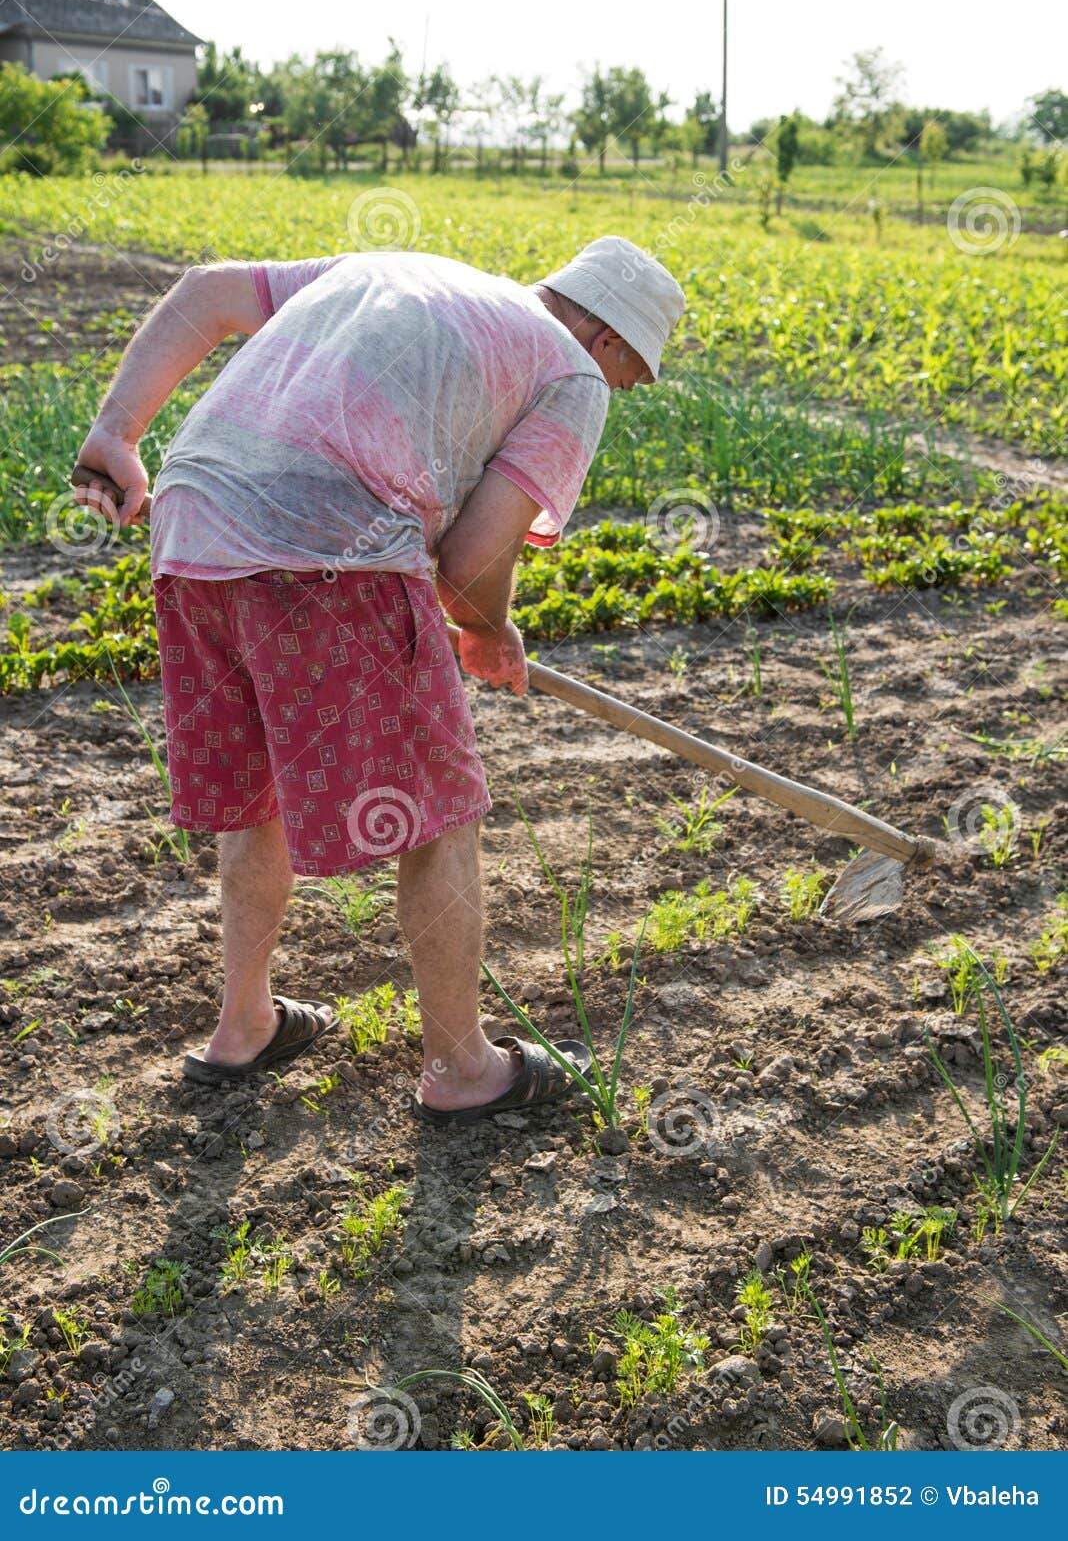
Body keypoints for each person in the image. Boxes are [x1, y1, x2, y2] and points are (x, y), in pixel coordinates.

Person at [73, 234, 685, 1122]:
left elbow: (206, 295)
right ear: (611, 343)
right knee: (439, 815)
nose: (623, 393)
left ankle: (242, 1023)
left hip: (194, 528)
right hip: (328, 546)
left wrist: (115, 432)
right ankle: (463, 1069)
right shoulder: (571, 372)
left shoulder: (394, 270)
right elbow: (475, 560)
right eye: (634, 377)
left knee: (263, 790)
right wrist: (490, 629)